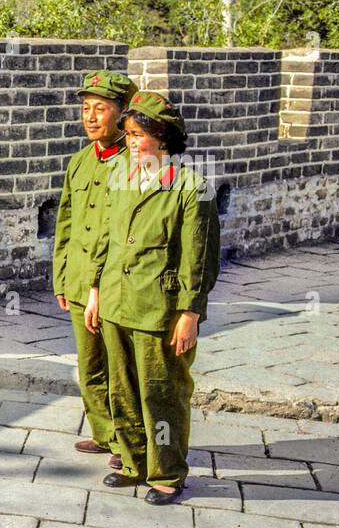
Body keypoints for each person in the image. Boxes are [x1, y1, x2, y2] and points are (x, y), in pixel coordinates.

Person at [85, 91, 221, 505]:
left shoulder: (191, 187)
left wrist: (190, 313)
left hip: (158, 309)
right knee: (122, 389)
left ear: (162, 139)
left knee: (161, 392)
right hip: (114, 301)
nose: (131, 142)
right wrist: (94, 292)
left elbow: (199, 258)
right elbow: (105, 239)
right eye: (127, 134)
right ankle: (132, 461)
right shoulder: (120, 178)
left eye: (139, 135)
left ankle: (166, 472)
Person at [52, 70, 136, 469]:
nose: (90, 117)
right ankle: (104, 433)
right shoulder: (81, 161)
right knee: (89, 365)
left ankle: (127, 444)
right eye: (86, 109)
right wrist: (62, 277)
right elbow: (65, 222)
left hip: (115, 286)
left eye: (100, 109)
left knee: (120, 367)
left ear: (122, 114)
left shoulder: (136, 164)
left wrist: (101, 286)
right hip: (79, 279)